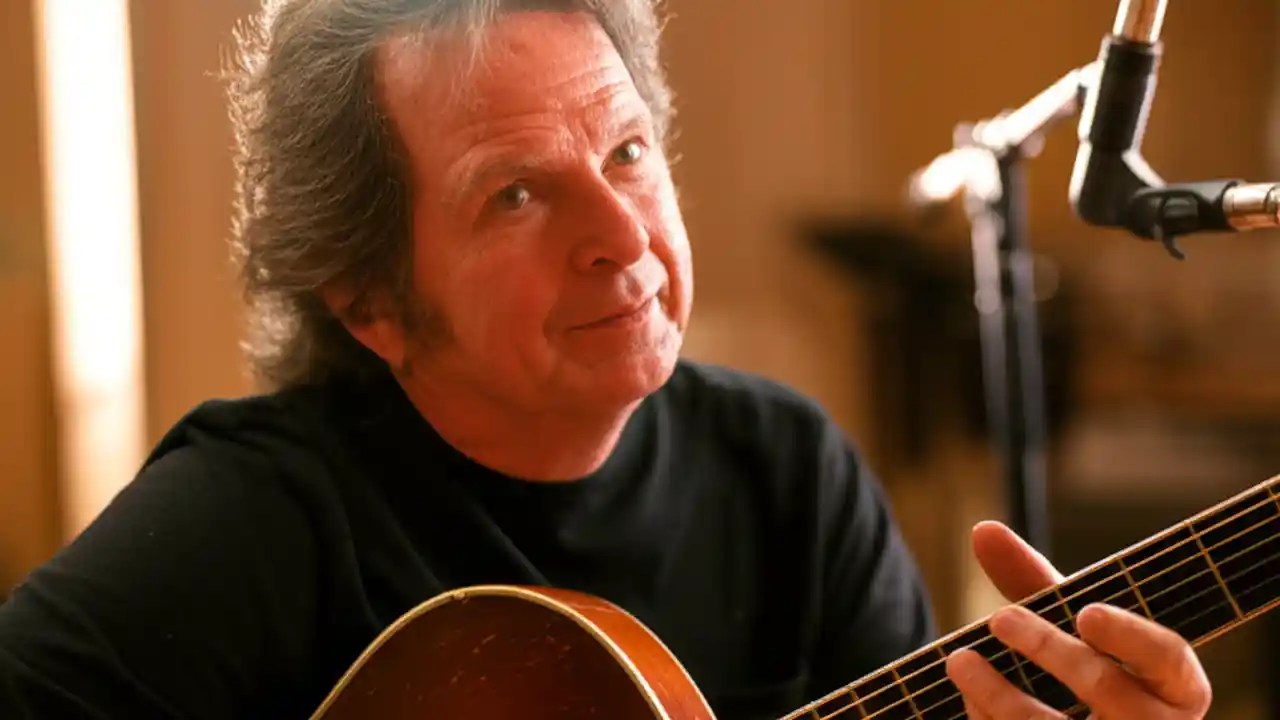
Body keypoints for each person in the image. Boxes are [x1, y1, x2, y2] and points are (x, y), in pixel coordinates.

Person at [0, 1, 1212, 719]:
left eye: (627, 153)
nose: (623, 237)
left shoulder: (785, 473)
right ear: (369, 296)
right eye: (515, 193)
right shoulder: (252, 523)